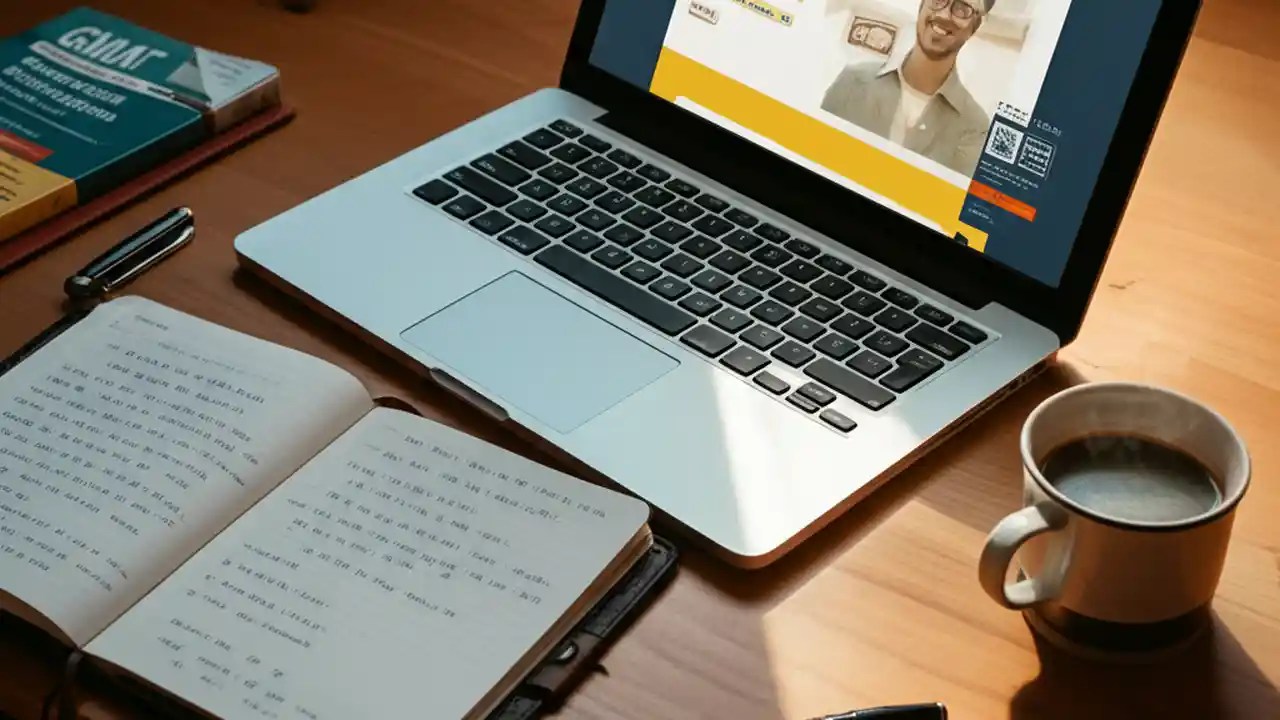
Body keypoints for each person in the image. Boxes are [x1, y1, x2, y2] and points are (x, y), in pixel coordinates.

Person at [822, 0, 994, 176]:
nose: (944, 14)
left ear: (975, 26)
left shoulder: (975, 127)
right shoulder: (852, 81)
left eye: (962, 8)